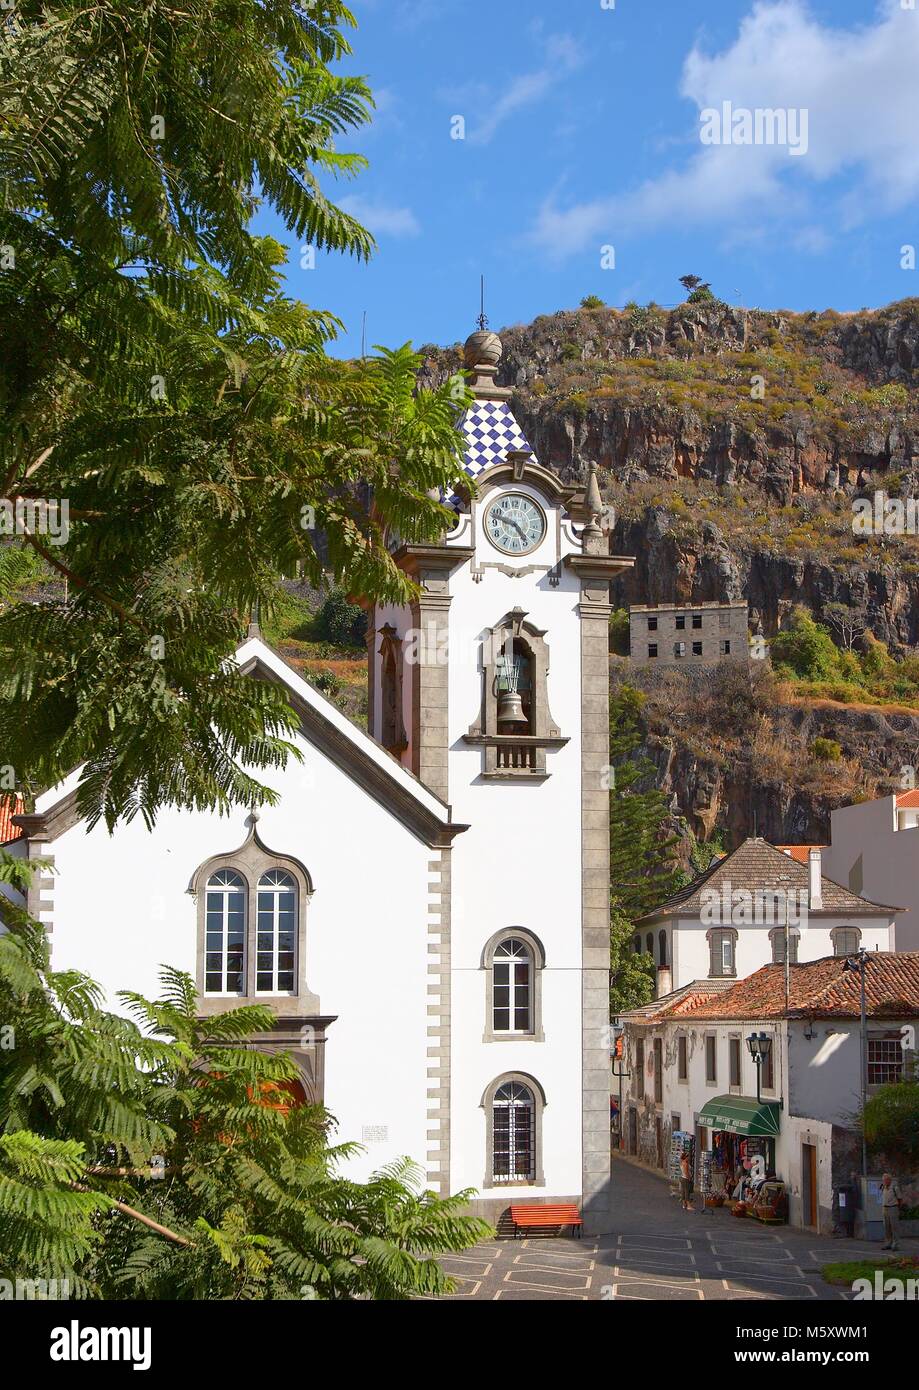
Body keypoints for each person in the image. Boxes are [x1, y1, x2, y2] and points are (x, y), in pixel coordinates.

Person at [880, 1172, 902, 1250]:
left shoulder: (895, 1188)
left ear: (890, 1180)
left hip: (893, 1207)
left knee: (894, 1227)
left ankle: (896, 1244)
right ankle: (888, 1243)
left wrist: (898, 1208)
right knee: (886, 1227)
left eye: (886, 1180)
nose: (884, 1181)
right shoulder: (883, 1187)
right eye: (883, 1180)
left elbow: (900, 1199)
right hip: (885, 1208)